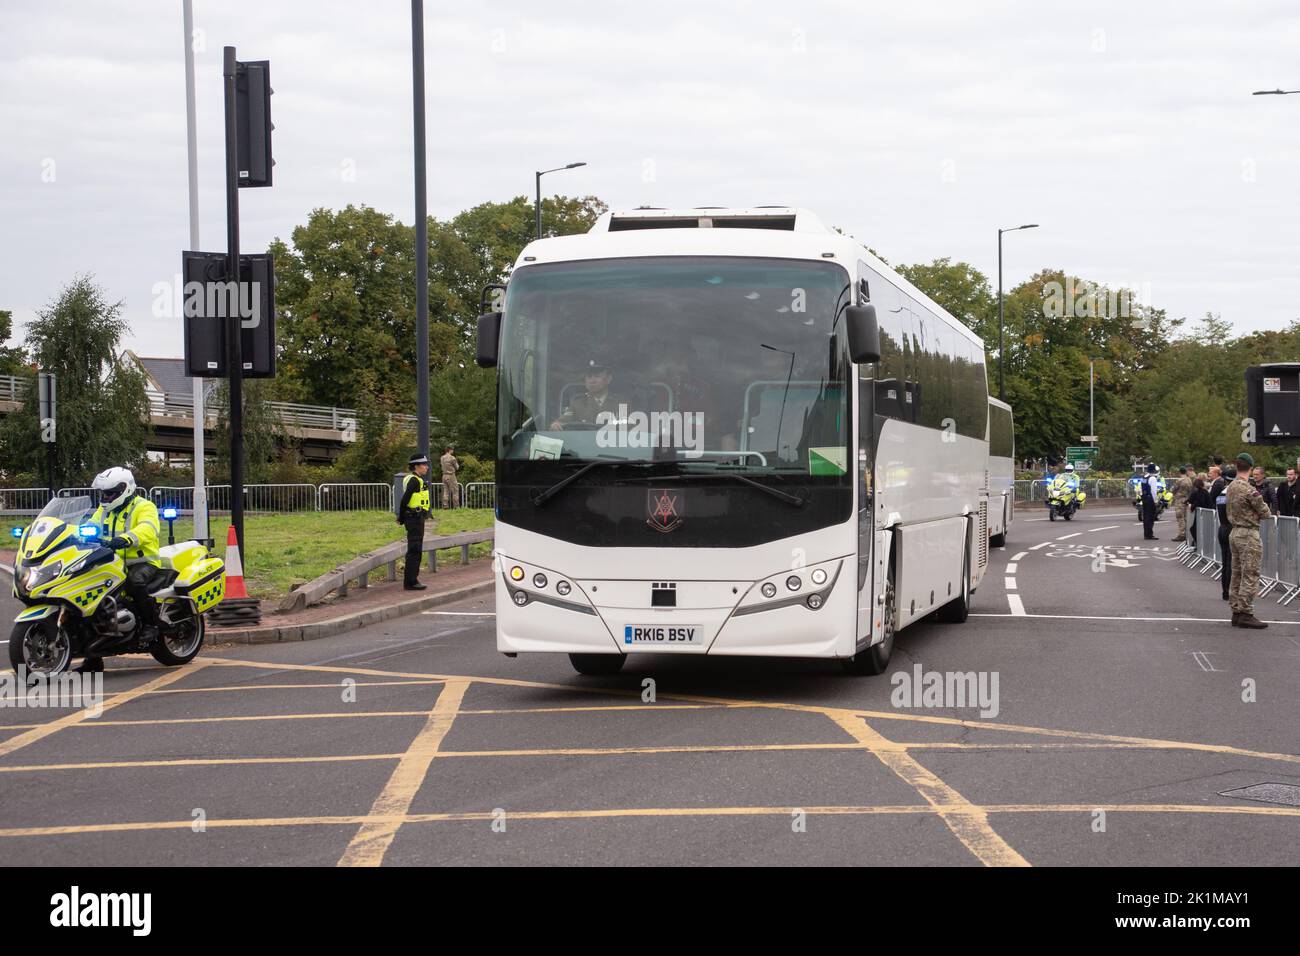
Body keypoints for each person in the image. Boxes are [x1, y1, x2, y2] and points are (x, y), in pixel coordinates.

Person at [78, 467, 162, 673]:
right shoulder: (104, 509)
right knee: (88, 597)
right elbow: (90, 525)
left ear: (125, 489)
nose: (106, 497)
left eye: (110, 493)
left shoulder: (143, 506)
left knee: (135, 582)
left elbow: (148, 528)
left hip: (141, 562)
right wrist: (73, 535)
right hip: (112, 563)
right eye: (104, 493)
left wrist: (125, 539)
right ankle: (93, 659)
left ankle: (152, 625)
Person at [1227, 452, 1271, 628]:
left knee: (1237, 572)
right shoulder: (1248, 489)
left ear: (1237, 467)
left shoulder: (1230, 487)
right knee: (1250, 573)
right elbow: (1265, 512)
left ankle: (1236, 610)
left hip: (1235, 532)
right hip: (1248, 533)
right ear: (1250, 469)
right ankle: (1246, 611)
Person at [550, 356, 623, 429]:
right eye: (589, 377)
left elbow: (629, 429)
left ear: (608, 379)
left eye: (597, 376)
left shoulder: (621, 402)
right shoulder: (578, 403)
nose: (592, 381)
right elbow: (562, 421)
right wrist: (557, 424)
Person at [397, 454, 432, 590]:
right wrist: (401, 517)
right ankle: (411, 582)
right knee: (415, 550)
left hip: (415, 517)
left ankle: (412, 580)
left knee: (415, 549)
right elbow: (405, 499)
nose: (426, 467)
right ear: (417, 466)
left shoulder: (413, 479)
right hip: (414, 518)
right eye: (424, 465)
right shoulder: (415, 481)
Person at [1211, 464, 1235, 601]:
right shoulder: (1233, 493)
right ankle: (1231, 591)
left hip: (1222, 528)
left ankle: (1225, 591)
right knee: (1232, 562)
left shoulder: (1221, 494)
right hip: (1231, 528)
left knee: (1225, 562)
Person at [1187, 476, 1212, 549]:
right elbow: (1191, 499)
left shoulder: (1202, 492)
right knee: (1195, 529)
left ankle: (1199, 544)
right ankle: (1197, 543)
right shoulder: (1200, 492)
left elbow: (1200, 502)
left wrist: (1192, 506)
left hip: (1204, 514)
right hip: (1202, 514)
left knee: (1195, 529)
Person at [1171, 465, 1194, 542]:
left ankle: (1182, 534)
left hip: (1179, 500)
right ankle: (1187, 533)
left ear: (1179, 472)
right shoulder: (1189, 480)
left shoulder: (1179, 480)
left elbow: (1173, 490)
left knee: (1180, 518)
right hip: (1187, 499)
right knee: (1185, 517)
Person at [1140, 462, 1160, 539]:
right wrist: (1156, 501)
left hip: (1144, 498)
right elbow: (1153, 491)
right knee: (1151, 517)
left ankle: (1146, 533)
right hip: (1150, 499)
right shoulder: (1153, 478)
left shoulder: (1144, 477)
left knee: (1145, 517)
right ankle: (1149, 534)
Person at [439, 445, 460, 509]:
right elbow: (457, 467)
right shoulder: (452, 458)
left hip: (444, 475)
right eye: (452, 450)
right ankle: (456, 506)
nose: (453, 451)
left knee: (446, 491)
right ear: (450, 450)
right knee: (455, 491)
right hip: (451, 475)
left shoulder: (442, 458)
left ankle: (445, 505)